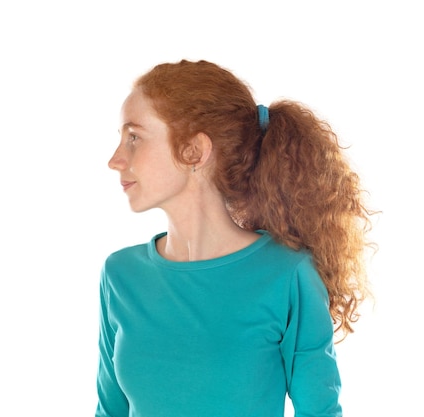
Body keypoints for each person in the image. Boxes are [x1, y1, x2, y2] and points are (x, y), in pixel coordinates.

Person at [95, 59, 375, 417]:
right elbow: (108, 411)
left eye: (134, 137)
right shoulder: (120, 275)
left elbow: (319, 412)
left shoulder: (287, 275)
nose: (116, 159)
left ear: (193, 151)